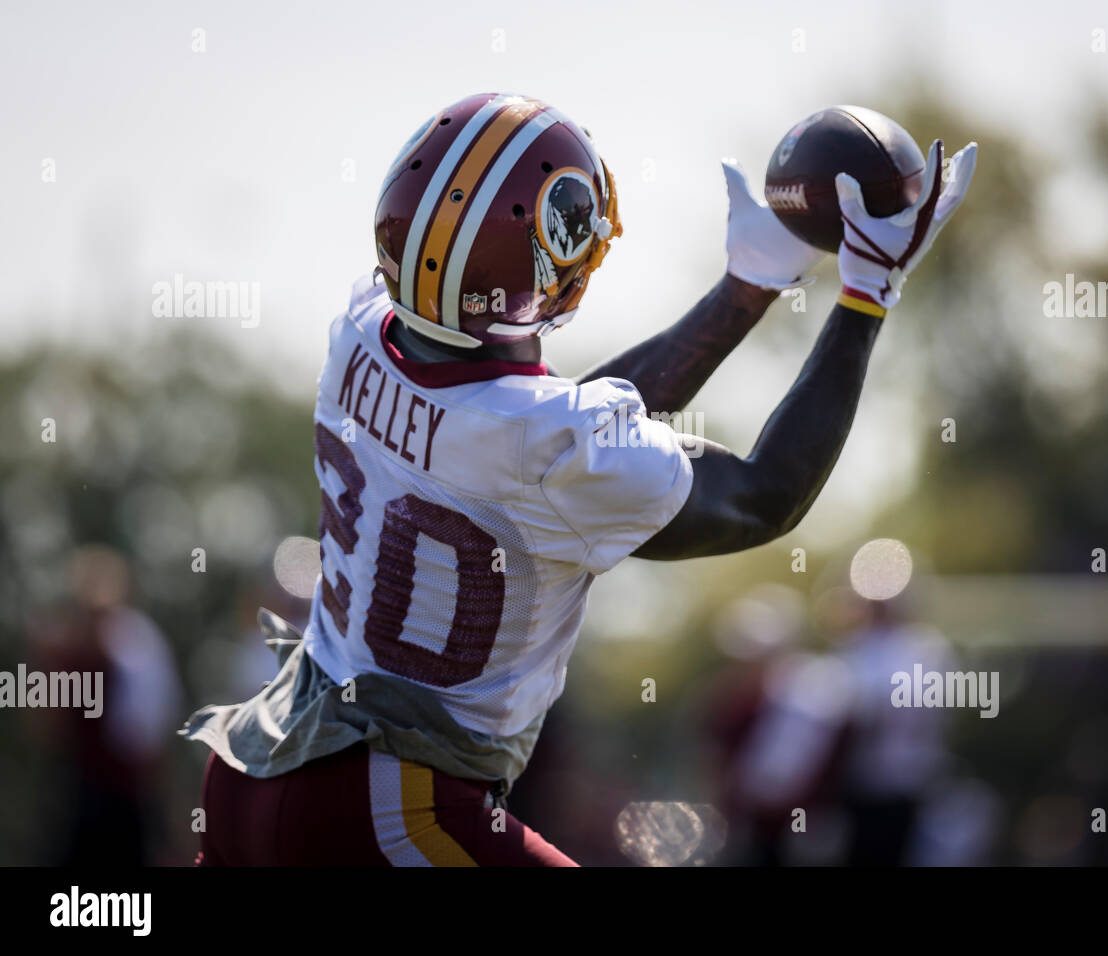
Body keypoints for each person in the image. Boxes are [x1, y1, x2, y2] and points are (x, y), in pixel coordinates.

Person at [181, 92, 977, 866]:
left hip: (256, 763)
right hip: (387, 802)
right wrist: (867, 295)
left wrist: (746, 290)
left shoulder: (359, 331)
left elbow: (553, 443)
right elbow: (761, 497)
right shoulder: (540, 443)